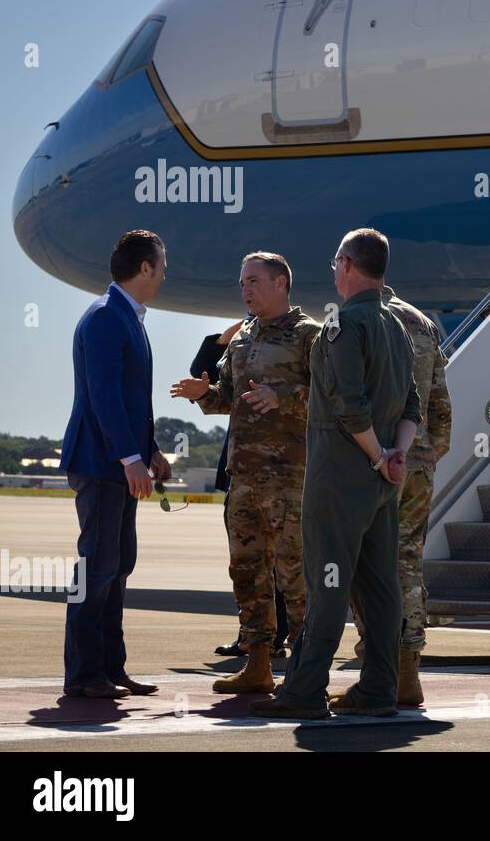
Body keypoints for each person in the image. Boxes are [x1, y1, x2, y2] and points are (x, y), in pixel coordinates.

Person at [252, 228, 422, 719]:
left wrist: (375, 455)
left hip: (341, 478)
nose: (333, 270)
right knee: (380, 587)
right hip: (382, 482)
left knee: (327, 581)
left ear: (347, 264)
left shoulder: (342, 326)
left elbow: (350, 407)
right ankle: (378, 689)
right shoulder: (396, 326)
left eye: (335, 262)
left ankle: (305, 690)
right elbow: (412, 403)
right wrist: (396, 456)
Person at [171, 254, 318, 694]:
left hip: (290, 479)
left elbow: (333, 399)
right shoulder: (242, 338)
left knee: (295, 576)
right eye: (241, 283)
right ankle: (257, 663)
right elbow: (229, 398)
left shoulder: (309, 335)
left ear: (280, 283)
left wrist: (284, 396)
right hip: (244, 479)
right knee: (247, 573)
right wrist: (205, 394)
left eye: (253, 282)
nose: (245, 290)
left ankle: (306, 671)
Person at [60, 230, 170, 699]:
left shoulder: (127, 316)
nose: (165, 273)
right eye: (162, 265)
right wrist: (129, 457)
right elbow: (104, 397)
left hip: (119, 462)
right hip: (102, 463)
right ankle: (85, 675)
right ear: (144, 268)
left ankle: (109, 668)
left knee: (117, 565)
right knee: (98, 567)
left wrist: (151, 451)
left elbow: (129, 398)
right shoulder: (108, 317)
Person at [350, 286, 451, 706]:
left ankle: (378, 669)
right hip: (417, 461)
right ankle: (409, 671)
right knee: (407, 561)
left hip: (374, 460)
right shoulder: (424, 323)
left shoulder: (361, 321)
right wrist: (428, 454)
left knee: (364, 565)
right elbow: (441, 403)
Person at [190, 320, 293, 660]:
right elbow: (201, 373)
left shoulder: (297, 341)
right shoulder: (243, 344)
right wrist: (230, 334)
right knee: (250, 561)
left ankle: (281, 637)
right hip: (244, 465)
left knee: (281, 561)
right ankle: (255, 637)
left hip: (283, 469)